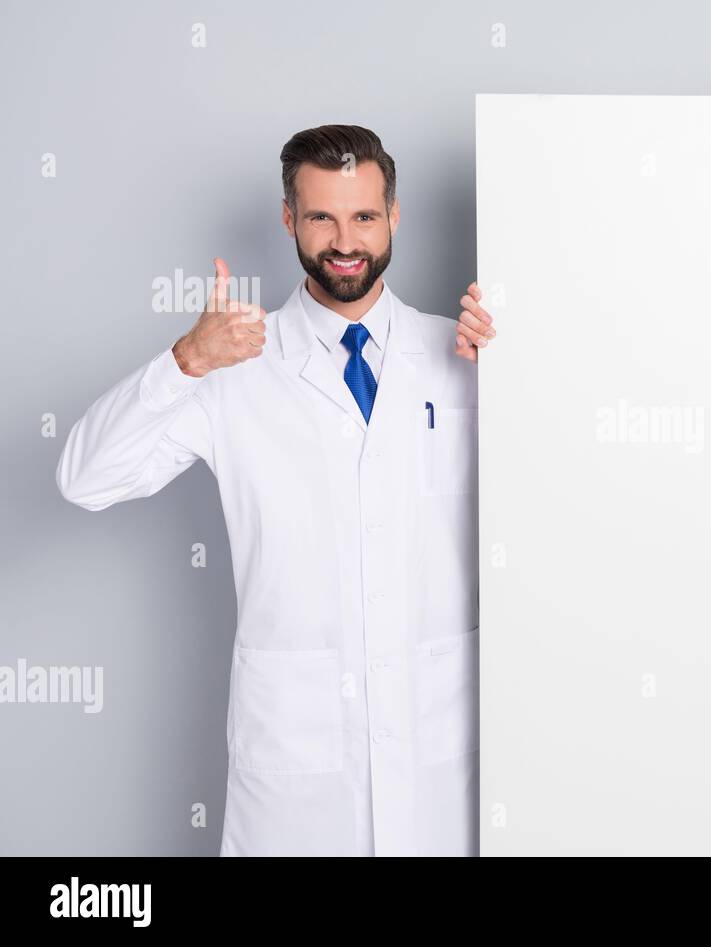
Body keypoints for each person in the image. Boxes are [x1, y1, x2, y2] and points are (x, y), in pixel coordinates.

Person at [56, 124, 498, 856]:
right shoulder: (235, 367)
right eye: (321, 216)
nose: (344, 240)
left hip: (438, 759)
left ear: (395, 215)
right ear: (289, 218)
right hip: (298, 779)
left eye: (363, 216)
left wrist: (522, 369)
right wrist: (185, 361)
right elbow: (83, 478)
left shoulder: (462, 353)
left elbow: (566, 494)